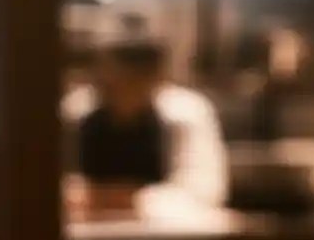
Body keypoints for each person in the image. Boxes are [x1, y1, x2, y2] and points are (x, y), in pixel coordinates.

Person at [62, 39, 228, 220]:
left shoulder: (185, 113)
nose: (118, 85)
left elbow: (205, 193)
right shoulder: (75, 111)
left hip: (167, 229)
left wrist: (127, 199)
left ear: (155, 78)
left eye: (131, 78)